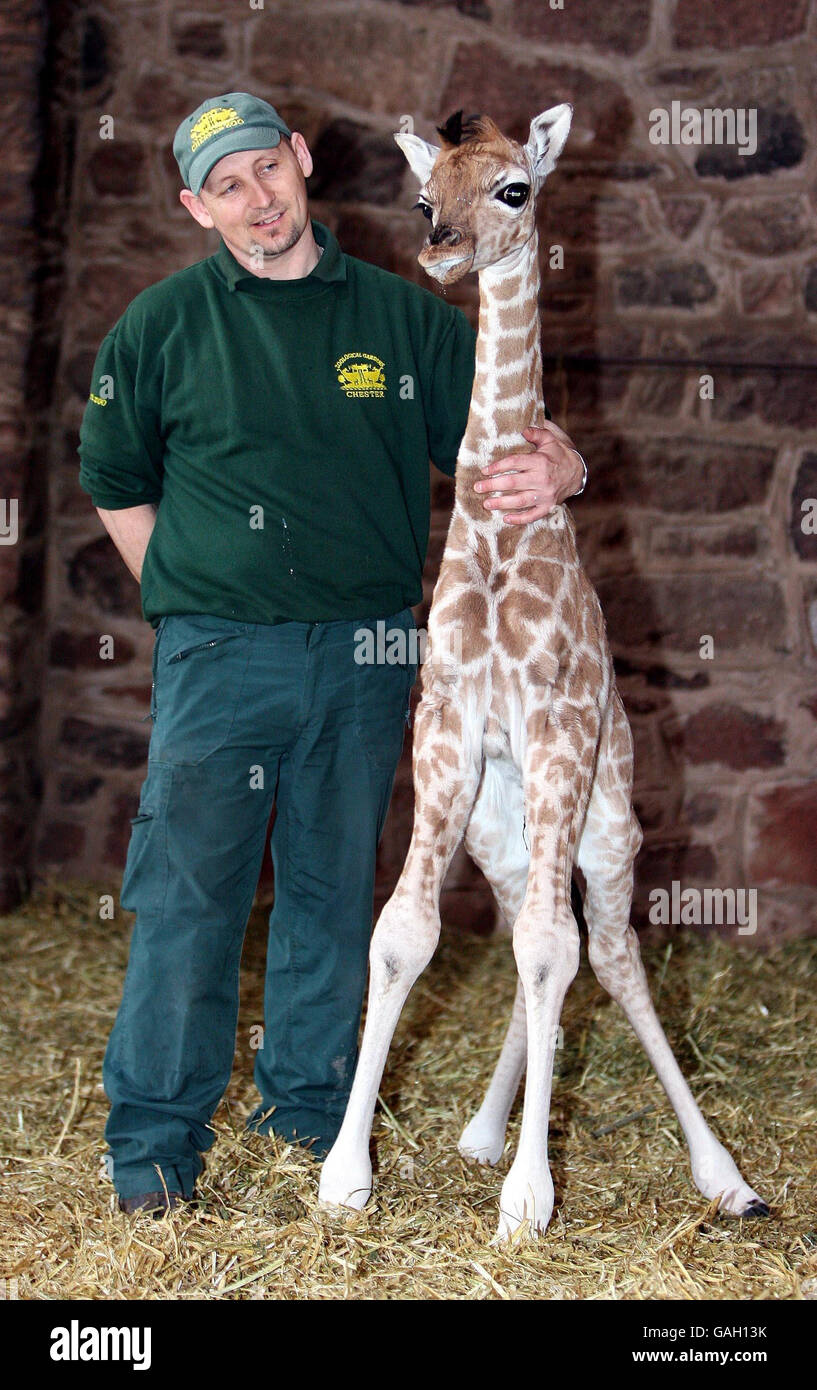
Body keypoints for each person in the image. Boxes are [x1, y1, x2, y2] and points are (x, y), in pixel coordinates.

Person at [77, 93, 586, 1216]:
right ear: (195, 208)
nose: (257, 200)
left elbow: (515, 432)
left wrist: (567, 470)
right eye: (227, 187)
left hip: (366, 659)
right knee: (187, 901)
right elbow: (114, 477)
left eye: (267, 169)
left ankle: (307, 1118)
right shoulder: (159, 329)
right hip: (219, 659)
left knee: (328, 895)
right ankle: (154, 1152)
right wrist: (190, 598)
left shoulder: (406, 325)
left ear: (301, 160)